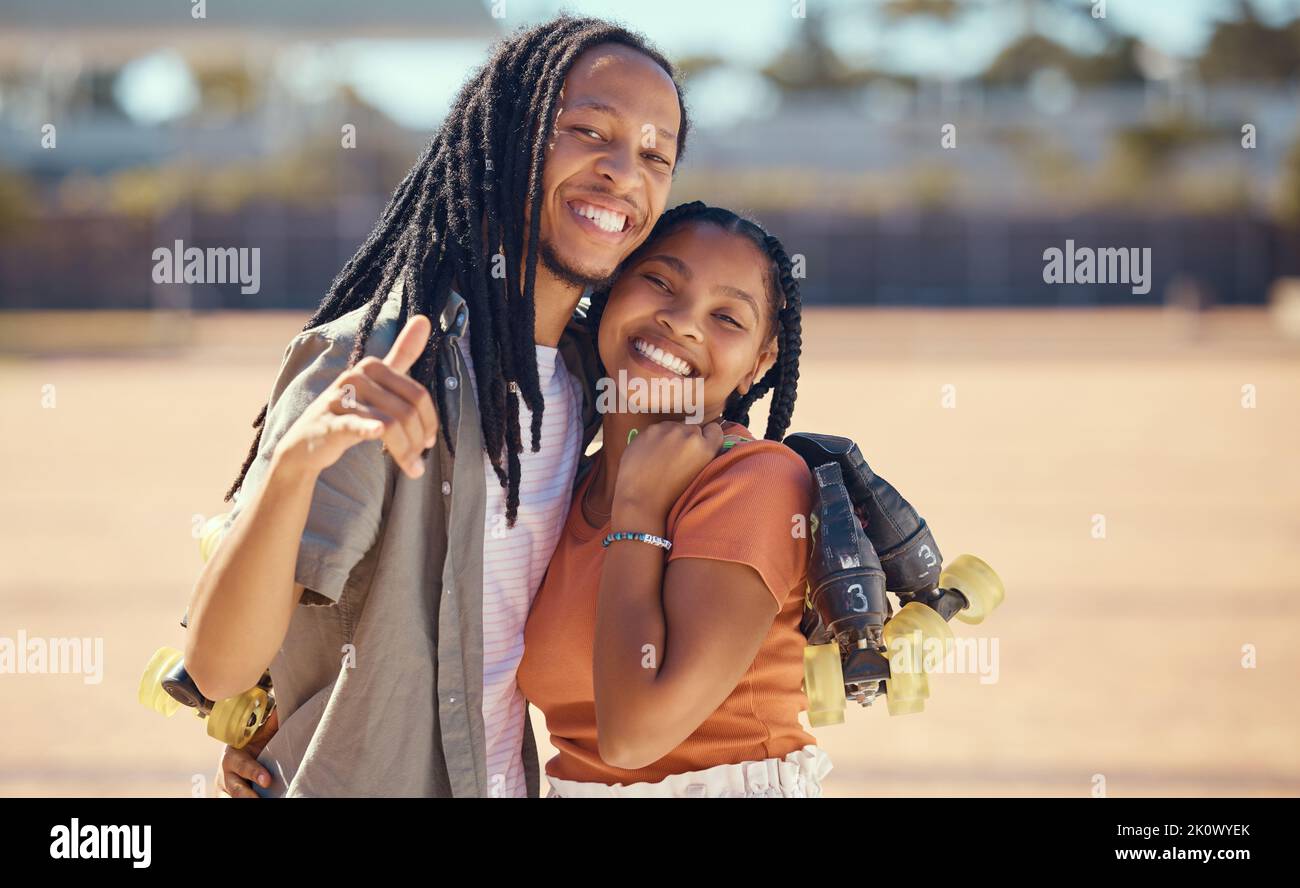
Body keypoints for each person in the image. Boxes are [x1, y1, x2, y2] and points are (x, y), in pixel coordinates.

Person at [189, 15, 689, 797]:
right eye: (589, 129)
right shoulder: (383, 367)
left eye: (655, 154)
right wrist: (289, 472)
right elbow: (221, 670)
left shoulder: (596, 383)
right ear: (505, 138)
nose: (623, 171)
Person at [517, 201, 831, 798]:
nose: (683, 323)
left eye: (728, 318)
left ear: (757, 365)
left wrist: (638, 512)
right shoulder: (563, 490)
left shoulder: (754, 481)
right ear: (610, 291)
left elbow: (636, 735)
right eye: (659, 281)